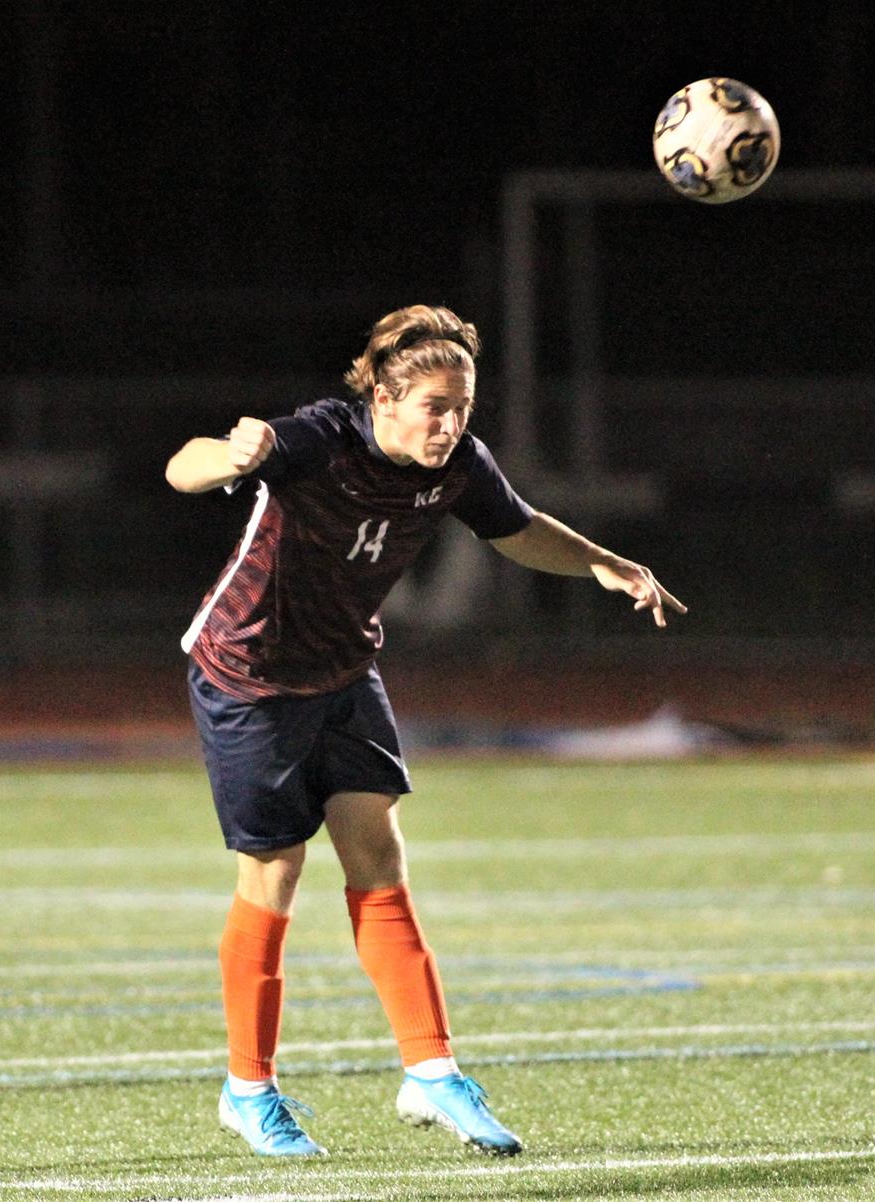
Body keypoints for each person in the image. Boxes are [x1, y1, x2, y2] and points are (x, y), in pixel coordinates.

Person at [165, 304, 685, 1158]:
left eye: (462, 408)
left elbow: (517, 530)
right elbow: (182, 467)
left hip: (342, 671)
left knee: (379, 855)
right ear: (383, 398)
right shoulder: (320, 439)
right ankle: (248, 1089)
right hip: (248, 677)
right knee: (276, 873)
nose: (450, 425)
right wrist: (233, 453)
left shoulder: (456, 466)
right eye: (434, 407)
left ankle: (432, 1073)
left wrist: (607, 562)